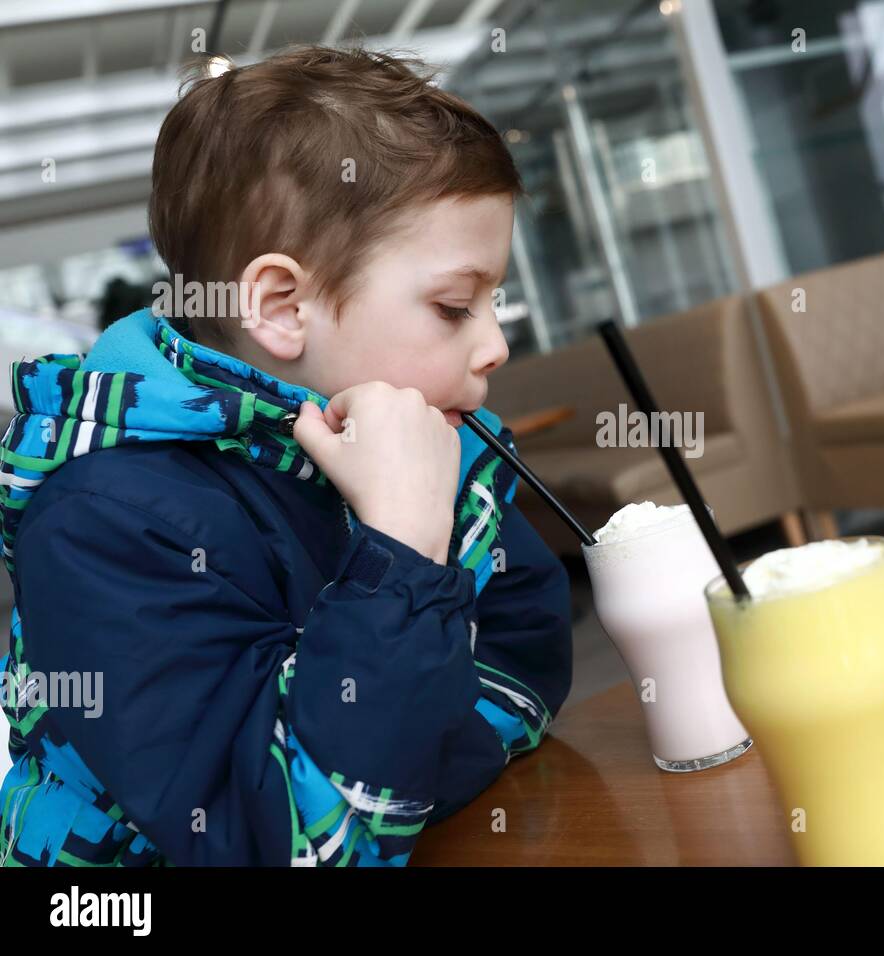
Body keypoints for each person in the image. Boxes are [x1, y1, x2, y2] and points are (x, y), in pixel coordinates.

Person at [0, 46, 572, 866]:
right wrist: (402, 556)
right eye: (455, 305)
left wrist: (400, 775)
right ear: (280, 307)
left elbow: (525, 654)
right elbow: (286, 844)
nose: (496, 346)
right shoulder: (102, 526)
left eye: (493, 300)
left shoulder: (433, 447)